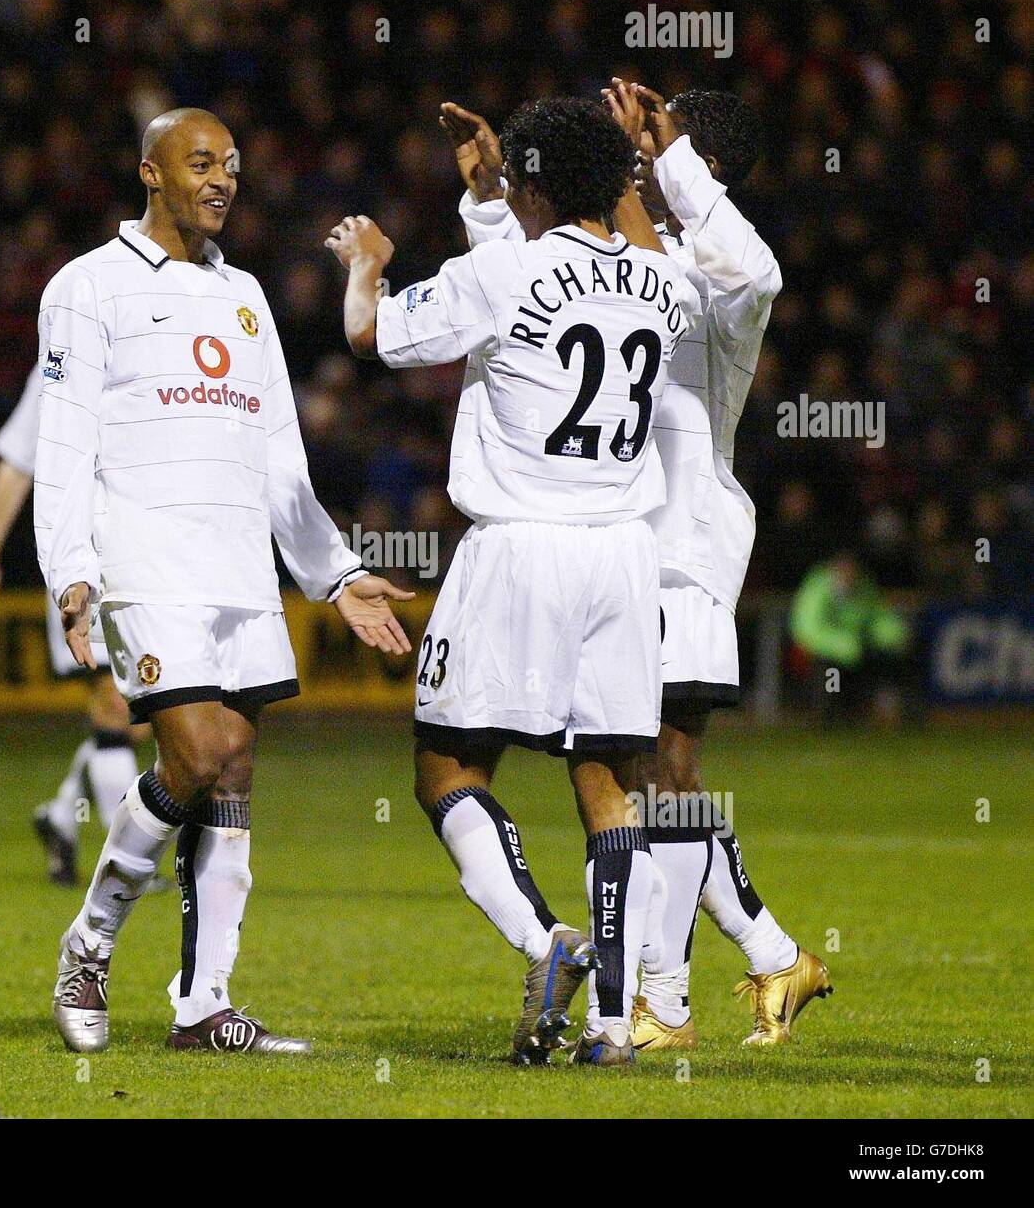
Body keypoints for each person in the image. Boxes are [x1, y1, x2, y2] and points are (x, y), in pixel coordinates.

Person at [444, 83, 831, 1048]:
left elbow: (756, 267)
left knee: (651, 779)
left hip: (679, 556)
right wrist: (498, 198)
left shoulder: (714, 283)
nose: (639, 160)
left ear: (697, 166)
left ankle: (671, 996)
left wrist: (656, 165)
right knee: (635, 780)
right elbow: (515, 295)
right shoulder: (622, 268)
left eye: (659, 146)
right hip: (610, 558)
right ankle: (758, 960)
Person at [328, 96, 699, 1066]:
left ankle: (545, 943)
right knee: (609, 787)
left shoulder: (500, 268)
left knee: (447, 768)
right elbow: (600, 237)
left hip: (516, 549)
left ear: (530, 188)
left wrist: (364, 261)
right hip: (622, 550)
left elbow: (371, 333)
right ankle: (615, 1026)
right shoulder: (665, 282)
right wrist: (510, 182)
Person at [36, 107, 413, 1055]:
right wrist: (71, 573)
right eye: (200, 162)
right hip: (147, 562)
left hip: (240, 566)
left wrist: (337, 573)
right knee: (196, 755)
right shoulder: (86, 287)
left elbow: (280, 454)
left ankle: (204, 1003)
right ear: (150, 172)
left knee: (234, 772)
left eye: (233, 165)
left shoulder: (245, 295)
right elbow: (64, 440)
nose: (221, 179)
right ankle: (89, 941)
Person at [0, 363, 148, 887]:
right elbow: (19, 461)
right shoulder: (64, 363)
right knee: (115, 701)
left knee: (143, 713)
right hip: (85, 561)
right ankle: (126, 864)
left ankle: (63, 814)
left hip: (157, 556)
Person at [791, 550, 911, 722]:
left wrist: (894, 634)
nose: (848, 576)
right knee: (831, 674)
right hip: (821, 655)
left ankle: (880, 712)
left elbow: (877, 618)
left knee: (888, 659)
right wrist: (842, 644)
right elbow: (806, 630)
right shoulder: (818, 588)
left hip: (856, 652)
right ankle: (827, 714)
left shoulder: (863, 588)